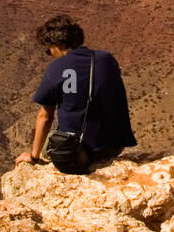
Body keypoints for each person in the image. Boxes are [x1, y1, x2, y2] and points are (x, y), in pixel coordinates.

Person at [15, 15, 136, 173]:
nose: (50, 54)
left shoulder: (56, 68)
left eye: (48, 50)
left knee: (51, 141)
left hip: (76, 152)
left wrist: (34, 156)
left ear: (55, 45)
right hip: (113, 146)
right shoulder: (107, 59)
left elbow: (45, 116)